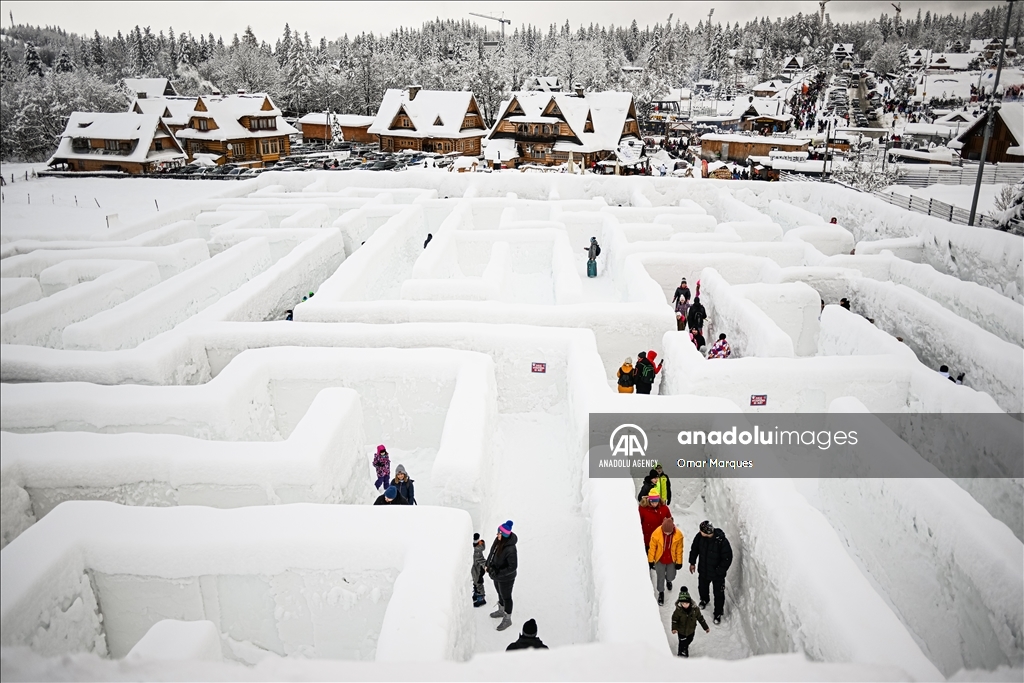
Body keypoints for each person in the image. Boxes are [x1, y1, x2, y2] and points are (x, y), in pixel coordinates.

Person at [688, 520, 733, 624]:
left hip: (718, 575)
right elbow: (694, 549)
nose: (700, 532)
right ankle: (704, 600)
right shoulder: (699, 537)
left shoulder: (721, 541)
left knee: (718, 594)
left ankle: (718, 613)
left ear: (707, 532)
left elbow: (727, 558)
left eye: (702, 531)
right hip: (704, 570)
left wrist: (719, 571)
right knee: (702, 587)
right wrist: (692, 562)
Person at [486, 520, 518, 631]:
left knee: (506, 597)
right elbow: (492, 552)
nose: (496, 534)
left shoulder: (511, 549)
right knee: (499, 592)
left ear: (503, 535)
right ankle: (501, 609)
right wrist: (488, 564)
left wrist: (498, 573)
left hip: (506, 578)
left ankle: (507, 618)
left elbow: (512, 567)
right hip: (496, 575)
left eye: (499, 533)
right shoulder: (499, 541)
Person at [648, 517, 684, 605]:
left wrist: (679, 562)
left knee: (671, 575)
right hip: (659, 559)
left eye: (669, 532)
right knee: (660, 577)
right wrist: (651, 560)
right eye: (665, 532)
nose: (667, 534)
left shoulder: (678, 535)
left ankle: (669, 580)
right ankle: (661, 592)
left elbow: (679, 550)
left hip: (671, 559)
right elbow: (652, 548)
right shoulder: (656, 534)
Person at [671, 588, 709, 657]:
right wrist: (674, 628)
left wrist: (705, 627)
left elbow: (700, 618)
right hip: (681, 631)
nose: (685, 605)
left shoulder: (695, 610)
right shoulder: (678, 611)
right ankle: (682, 655)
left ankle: (684, 648)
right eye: (683, 603)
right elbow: (674, 620)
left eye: (686, 603)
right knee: (682, 643)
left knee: (689, 641)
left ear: (690, 602)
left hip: (691, 631)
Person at [472, 533, 487, 607]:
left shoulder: (477, 550)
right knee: (475, 581)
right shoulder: (476, 549)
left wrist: (486, 566)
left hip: (479, 569)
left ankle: (481, 597)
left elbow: (481, 560)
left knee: (478, 582)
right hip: (476, 568)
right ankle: (476, 593)